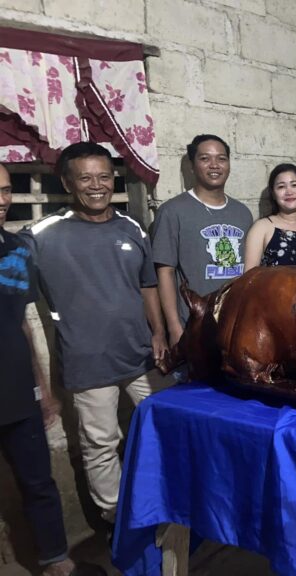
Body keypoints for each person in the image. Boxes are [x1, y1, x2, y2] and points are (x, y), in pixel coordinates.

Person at [19, 142, 174, 525]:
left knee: (170, 425)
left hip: (141, 355)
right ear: (68, 183)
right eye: (85, 177)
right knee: (101, 445)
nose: (97, 186)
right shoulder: (40, 235)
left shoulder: (132, 227)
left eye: (104, 176)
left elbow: (148, 286)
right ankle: (117, 519)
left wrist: (158, 334)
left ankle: (171, 501)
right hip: (87, 362)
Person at [1, 163, 106, 576]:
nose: (3, 200)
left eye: (8, 190)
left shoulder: (15, 249)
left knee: (39, 482)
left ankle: (55, 562)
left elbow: (23, 322)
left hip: (15, 386)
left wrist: (42, 387)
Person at [152, 134, 253, 347]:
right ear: (191, 165)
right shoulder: (172, 211)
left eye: (222, 158)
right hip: (193, 327)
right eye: (205, 158)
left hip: (235, 326)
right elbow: (165, 272)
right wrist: (173, 327)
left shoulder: (242, 213)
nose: (214, 165)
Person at [243, 163, 296, 272]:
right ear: (274, 195)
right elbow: (249, 277)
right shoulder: (262, 227)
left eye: (294, 185)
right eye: (281, 187)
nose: (289, 192)